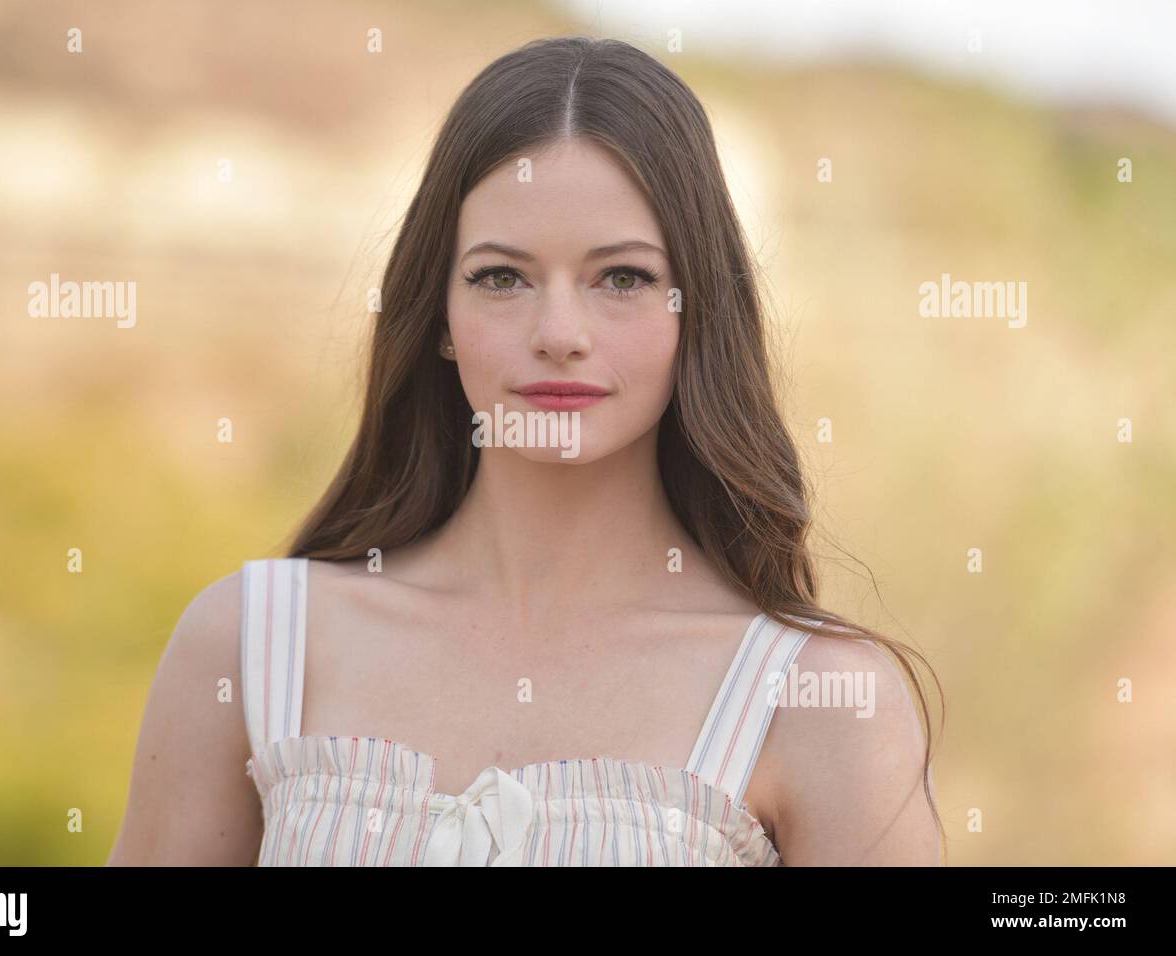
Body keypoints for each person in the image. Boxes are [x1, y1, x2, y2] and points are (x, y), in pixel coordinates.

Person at [108, 35, 943, 867]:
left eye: (622, 279)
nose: (559, 335)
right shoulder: (250, 643)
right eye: (501, 278)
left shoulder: (823, 702)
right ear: (437, 315)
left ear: (697, 314)